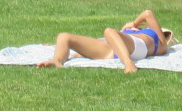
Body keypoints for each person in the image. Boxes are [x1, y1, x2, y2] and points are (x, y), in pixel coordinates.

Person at [36, 9, 171, 74]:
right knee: (64, 36)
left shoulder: (158, 41)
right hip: (110, 51)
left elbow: (148, 13)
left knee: (109, 31)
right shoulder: (127, 33)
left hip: (136, 48)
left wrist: (134, 23)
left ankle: (128, 63)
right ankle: (57, 61)